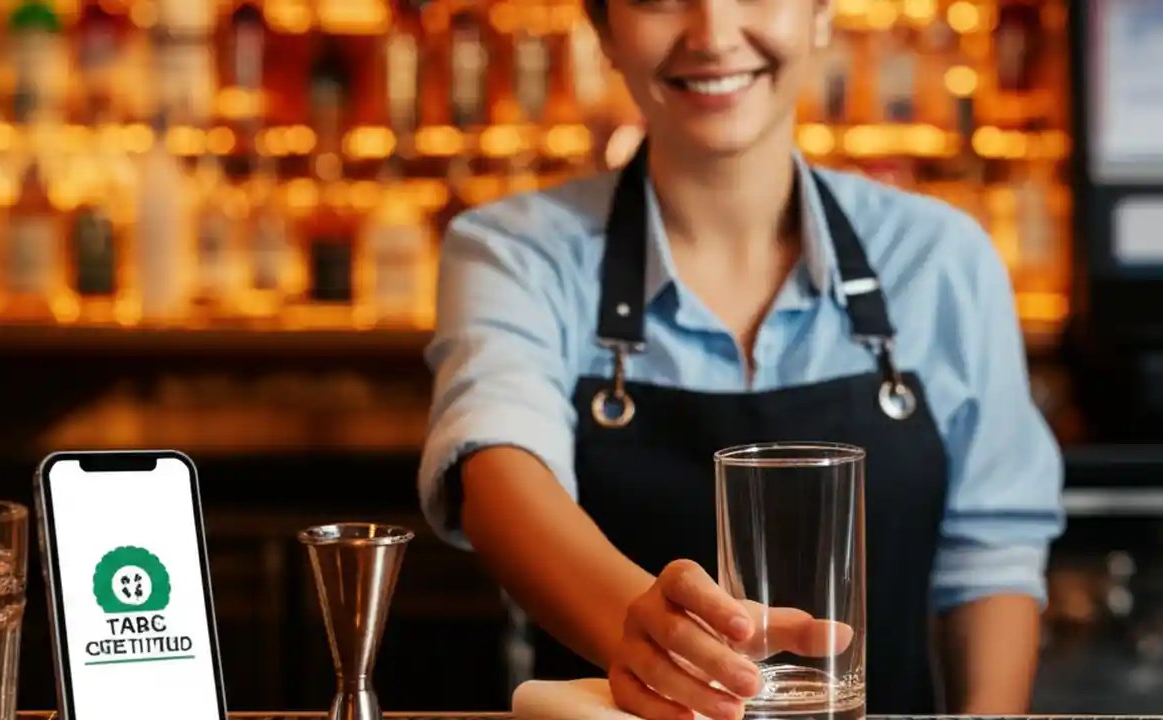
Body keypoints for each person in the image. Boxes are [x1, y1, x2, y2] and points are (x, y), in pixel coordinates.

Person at [416, 0, 1066, 717]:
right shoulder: (514, 251)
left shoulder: (940, 256)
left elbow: (993, 554)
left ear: (821, 14)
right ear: (604, 31)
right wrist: (648, 632)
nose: (714, 35)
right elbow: (498, 476)